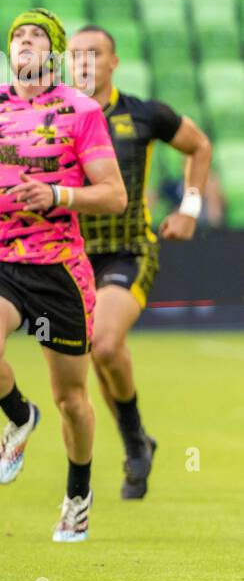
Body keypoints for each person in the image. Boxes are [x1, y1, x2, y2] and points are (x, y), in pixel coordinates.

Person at [0, 9, 127, 543]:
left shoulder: (79, 111)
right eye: (18, 35)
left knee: (72, 399)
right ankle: (18, 416)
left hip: (59, 268)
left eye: (37, 36)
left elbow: (114, 194)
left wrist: (57, 195)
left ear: (53, 52)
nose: (25, 42)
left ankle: (78, 497)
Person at [68, 26, 213, 500]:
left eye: (94, 53)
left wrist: (190, 210)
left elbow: (199, 145)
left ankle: (133, 443)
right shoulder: (55, 118)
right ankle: (138, 442)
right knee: (96, 356)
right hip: (72, 258)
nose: (84, 62)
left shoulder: (144, 114)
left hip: (130, 248)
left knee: (105, 344)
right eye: (76, 55)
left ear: (114, 63)